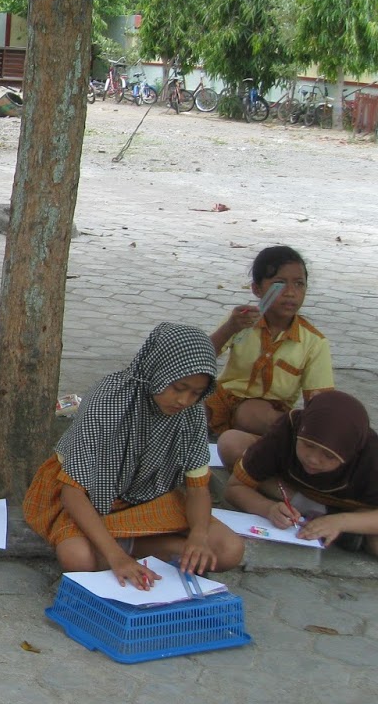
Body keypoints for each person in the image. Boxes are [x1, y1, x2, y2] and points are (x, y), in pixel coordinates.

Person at [23, 322, 245, 588]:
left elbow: (197, 488)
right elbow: (72, 493)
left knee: (229, 550)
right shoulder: (109, 399)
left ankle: (137, 544)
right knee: (77, 558)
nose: (184, 401)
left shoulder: (191, 412)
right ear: (157, 371)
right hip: (90, 502)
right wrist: (116, 558)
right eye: (178, 387)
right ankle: (132, 549)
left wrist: (198, 537)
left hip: (150, 497)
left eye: (196, 393)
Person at [222, 390, 377, 555]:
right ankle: (313, 509)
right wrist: (267, 509)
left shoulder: (371, 458)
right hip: (289, 487)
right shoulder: (288, 429)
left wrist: (341, 522)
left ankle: (341, 525)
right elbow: (235, 487)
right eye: (308, 445)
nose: (313, 459)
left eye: (329, 456)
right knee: (231, 443)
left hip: (352, 505)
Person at [206, 246, 332, 439]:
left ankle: (281, 442)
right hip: (223, 399)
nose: (291, 292)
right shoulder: (241, 320)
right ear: (257, 289)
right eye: (279, 284)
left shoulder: (314, 342)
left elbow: (318, 401)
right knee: (188, 405)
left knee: (250, 415)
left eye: (299, 284)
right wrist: (229, 328)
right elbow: (201, 355)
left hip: (267, 411)